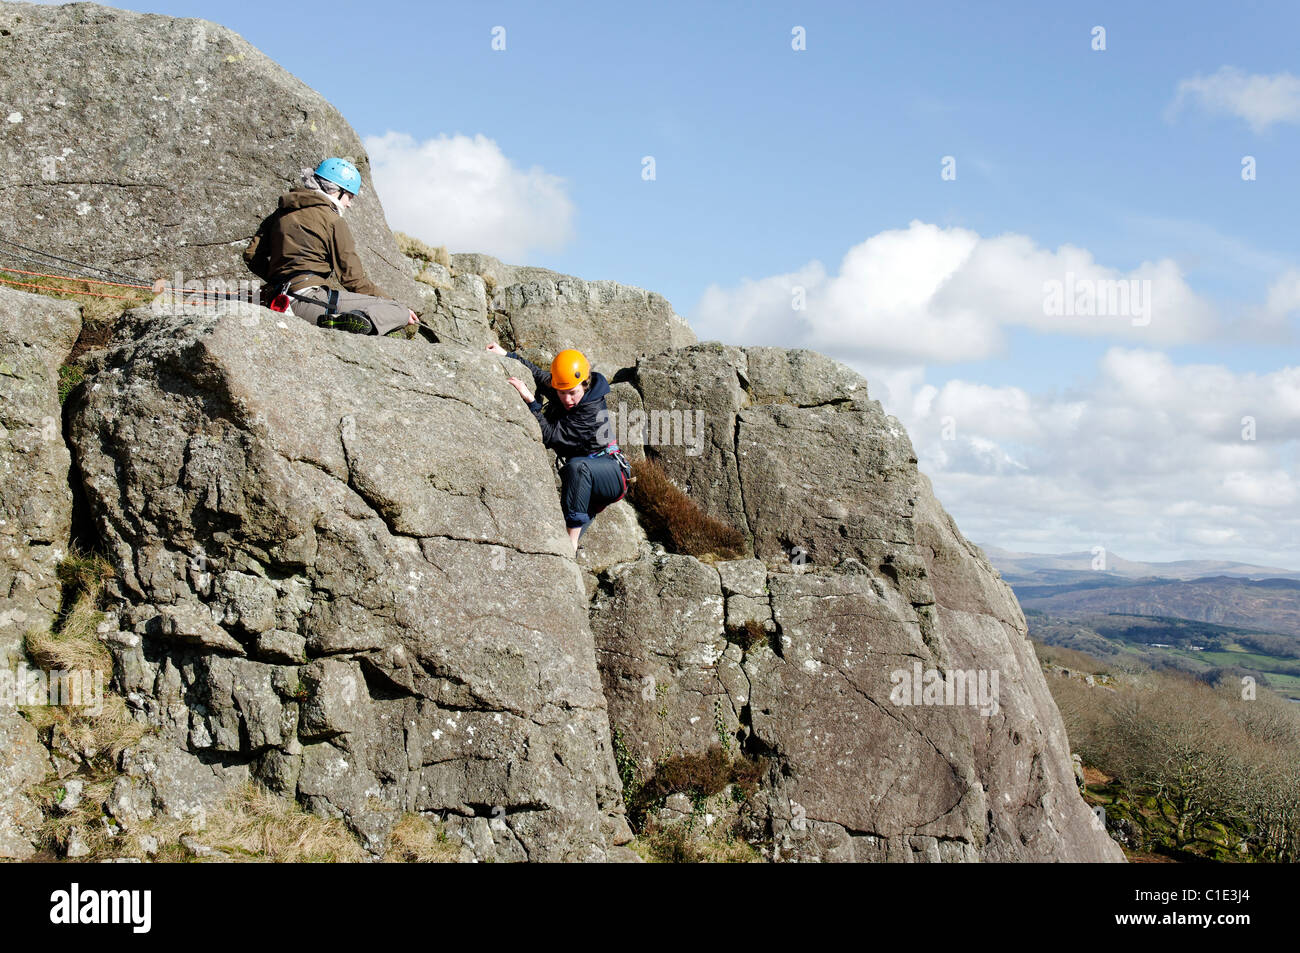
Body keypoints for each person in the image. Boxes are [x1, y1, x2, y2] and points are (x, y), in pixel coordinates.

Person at [243, 158, 420, 338]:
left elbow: (251, 255)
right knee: (397, 310)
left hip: (277, 298)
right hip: (310, 302)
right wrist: (396, 306)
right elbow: (353, 279)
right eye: (349, 196)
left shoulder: (280, 214)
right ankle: (349, 319)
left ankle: (344, 318)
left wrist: (279, 282)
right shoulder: (333, 220)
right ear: (337, 191)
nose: (349, 204)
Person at [487, 342, 631, 552]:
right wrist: (506, 355)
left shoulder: (591, 409)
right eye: (561, 393)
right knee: (553, 545)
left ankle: (572, 544)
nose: (567, 399)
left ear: (585, 383)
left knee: (577, 468)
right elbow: (537, 373)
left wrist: (530, 401)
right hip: (583, 483)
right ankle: (567, 547)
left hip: (610, 474)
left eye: (572, 392)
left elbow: (550, 435)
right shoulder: (564, 386)